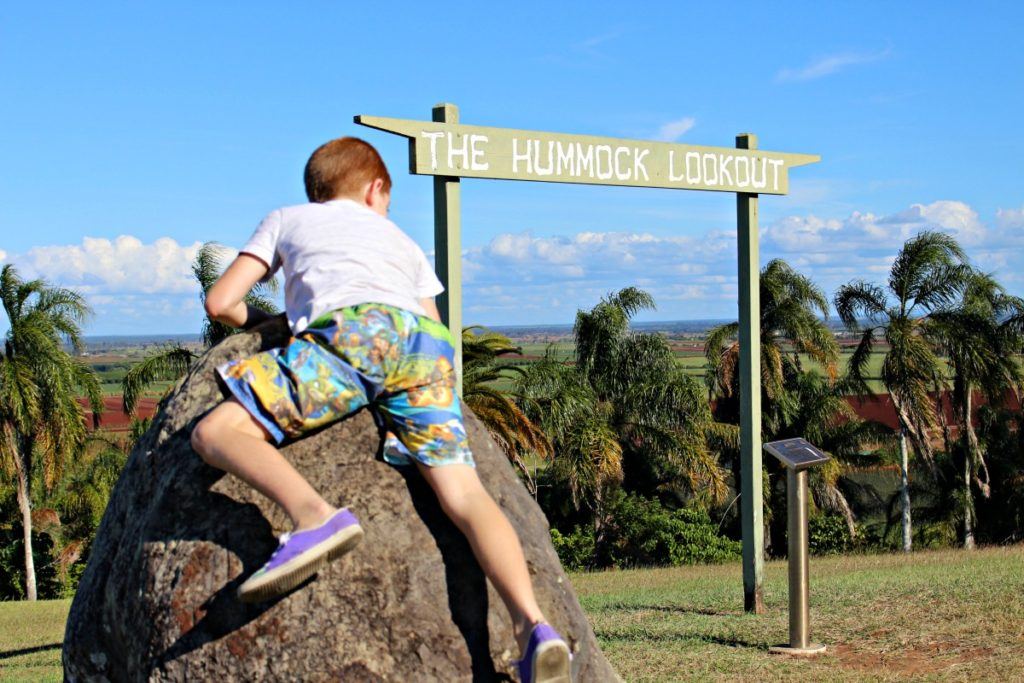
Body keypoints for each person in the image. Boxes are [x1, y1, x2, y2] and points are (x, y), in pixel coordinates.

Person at [189, 137, 572, 683]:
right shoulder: (400, 240)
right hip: (425, 350)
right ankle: (532, 626)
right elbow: (432, 323)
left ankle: (313, 517)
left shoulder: (287, 218)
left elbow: (220, 302)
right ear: (376, 190)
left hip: (354, 335)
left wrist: (272, 324)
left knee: (215, 433)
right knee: (464, 494)